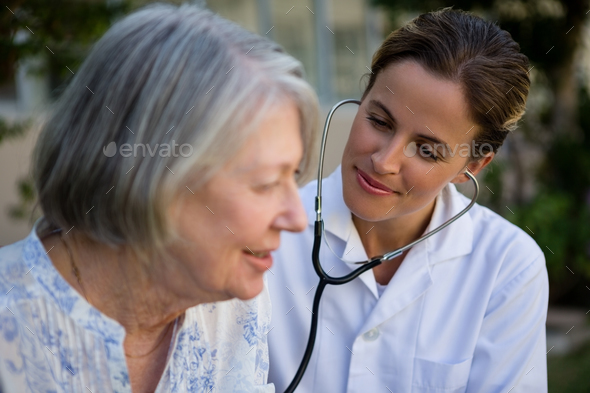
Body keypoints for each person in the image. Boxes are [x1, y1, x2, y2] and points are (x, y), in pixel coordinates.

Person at [0, 4, 319, 392]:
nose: (297, 217)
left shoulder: (236, 305)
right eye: (267, 182)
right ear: (152, 176)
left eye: (294, 175)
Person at [267, 8, 548, 393]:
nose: (384, 161)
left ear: (475, 164)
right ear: (363, 98)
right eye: (379, 122)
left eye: (427, 151)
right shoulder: (263, 234)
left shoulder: (507, 267)